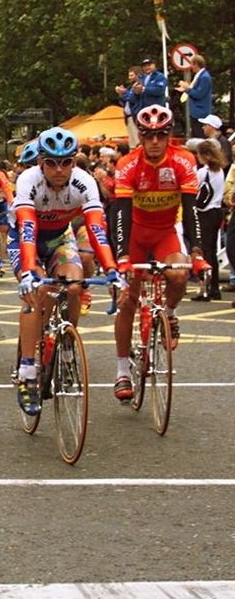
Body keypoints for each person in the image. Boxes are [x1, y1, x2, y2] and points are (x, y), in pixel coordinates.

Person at [9, 127, 120, 414]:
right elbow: (28, 229)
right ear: (40, 163)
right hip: (26, 239)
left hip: (60, 237)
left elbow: (96, 229)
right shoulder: (28, 181)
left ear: (74, 162)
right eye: (51, 163)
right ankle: (28, 373)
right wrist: (29, 273)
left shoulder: (83, 182)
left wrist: (111, 270)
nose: (59, 170)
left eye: (66, 162)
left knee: (73, 284)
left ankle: (67, 343)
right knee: (37, 292)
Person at [111, 105, 209, 401]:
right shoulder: (128, 164)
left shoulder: (184, 160)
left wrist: (197, 251)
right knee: (128, 301)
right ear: (140, 136)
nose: (155, 141)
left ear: (170, 136)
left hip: (166, 232)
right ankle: (121, 372)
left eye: (161, 135)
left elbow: (192, 210)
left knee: (179, 274)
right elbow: (121, 213)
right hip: (135, 235)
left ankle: (169, 313)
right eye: (149, 135)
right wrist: (122, 255)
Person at [191, 139, 225, 301]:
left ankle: (205, 288)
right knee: (211, 250)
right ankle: (214, 287)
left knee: (203, 252)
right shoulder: (219, 171)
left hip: (204, 212)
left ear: (204, 155)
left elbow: (193, 190)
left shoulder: (203, 172)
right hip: (217, 211)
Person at [175, 55, 212, 138]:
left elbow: (199, 94)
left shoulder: (204, 77)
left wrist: (187, 88)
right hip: (196, 112)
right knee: (195, 135)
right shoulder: (200, 75)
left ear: (196, 64)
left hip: (200, 112)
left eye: (192, 64)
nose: (191, 67)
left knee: (199, 136)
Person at [115, 66, 143, 147]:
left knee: (137, 141)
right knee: (132, 142)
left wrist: (124, 92)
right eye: (129, 75)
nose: (129, 77)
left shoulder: (139, 85)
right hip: (128, 117)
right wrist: (121, 94)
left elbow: (132, 99)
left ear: (138, 75)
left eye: (131, 75)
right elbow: (124, 102)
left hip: (135, 116)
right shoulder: (130, 87)